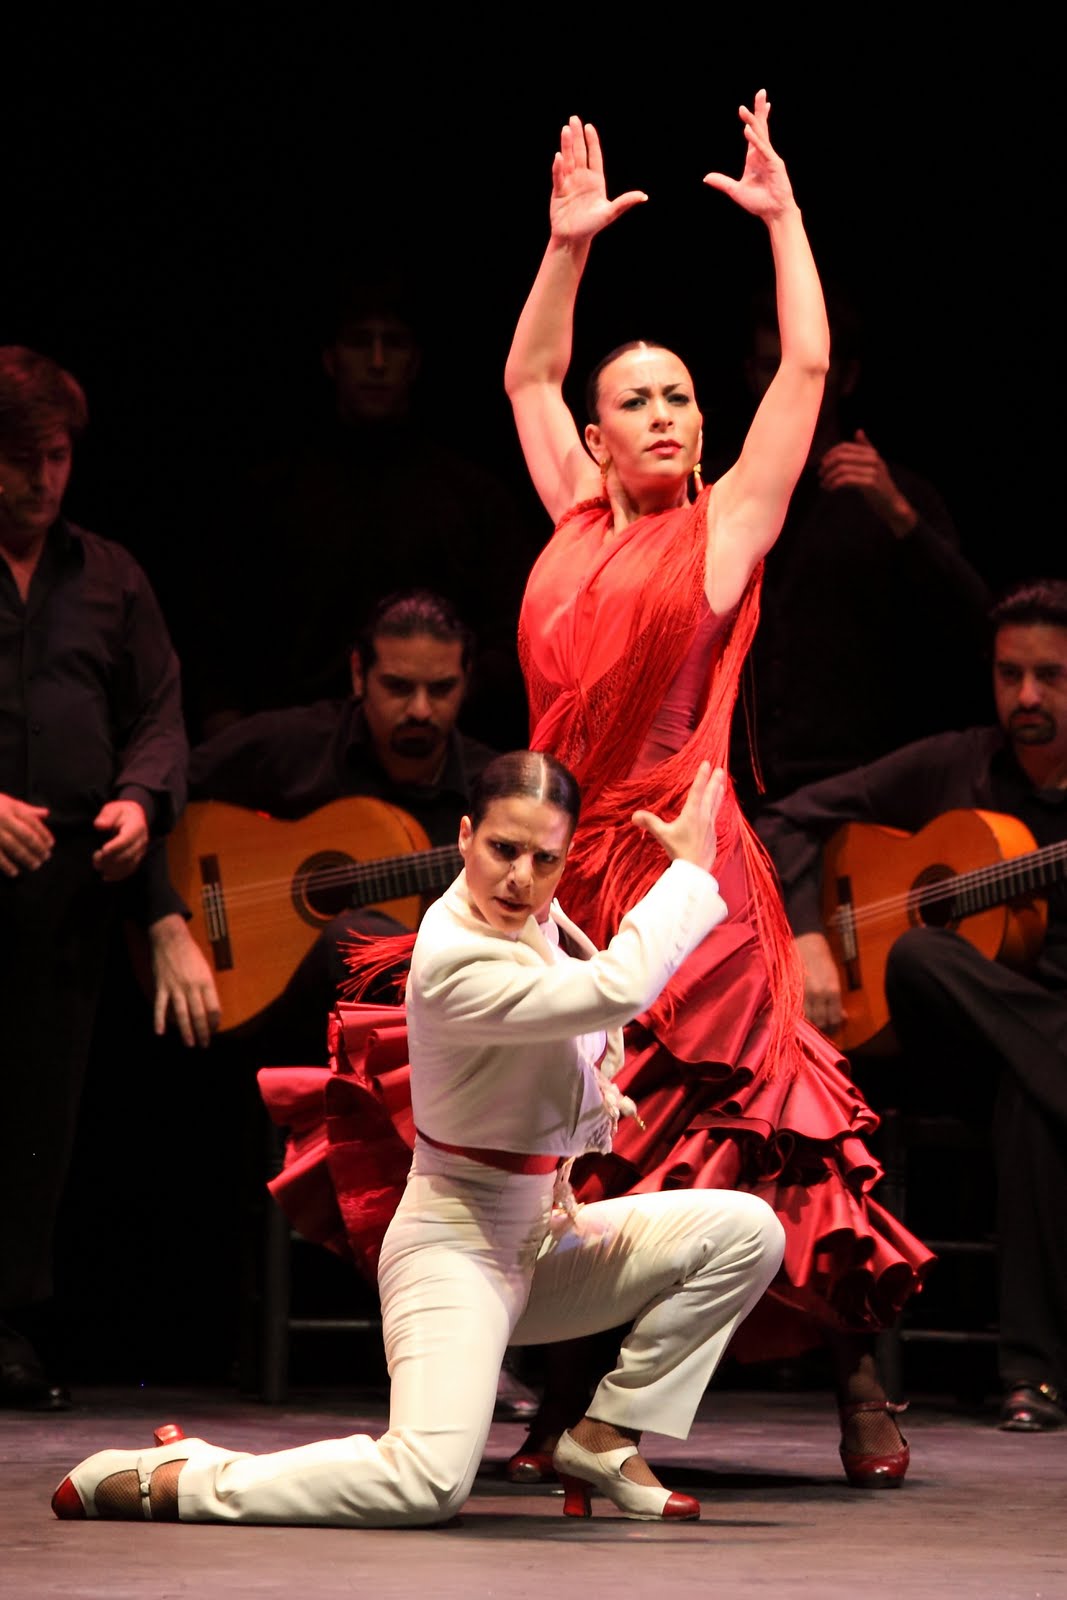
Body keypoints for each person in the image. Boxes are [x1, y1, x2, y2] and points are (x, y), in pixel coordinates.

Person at [501, 94, 932, 1487]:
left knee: (756, 1124)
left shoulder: (721, 531)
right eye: (638, 400)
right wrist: (565, 249)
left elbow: (801, 371)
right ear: (598, 432)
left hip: (689, 871)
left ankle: (858, 1388)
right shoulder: (570, 516)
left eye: (681, 394)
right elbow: (521, 379)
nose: (668, 415)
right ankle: (559, 1401)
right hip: (568, 876)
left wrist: (783, 220)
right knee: (581, 1141)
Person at [52, 751, 787, 1527]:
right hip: (453, 1249)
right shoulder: (454, 955)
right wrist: (689, 872)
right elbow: (615, 989)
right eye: (503, 850)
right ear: (465, 836)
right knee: (426, 1485)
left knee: (745, 1231)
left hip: (538, 1243)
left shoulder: (539, 920)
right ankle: (184, 1477)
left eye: (545, 859)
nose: (521, 878)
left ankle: (605, 1434)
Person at [754, 578, 1067, 1432]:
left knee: (1030, 1101)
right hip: (941, 1041)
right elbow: (785, 819)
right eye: (1010, 674)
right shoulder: (955, 765)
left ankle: (1028, 1378)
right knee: (927, 950)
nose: (1026, 697)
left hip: (1023, 1056)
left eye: (1050, 676)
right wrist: (810, 933)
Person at [0, 346, 196, 1409]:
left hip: (65, 885)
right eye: (23, 460)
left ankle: (8, 1325)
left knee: (37, 1110)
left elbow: (160, 708)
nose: (44, 480)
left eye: (59, 457)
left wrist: (138, 798)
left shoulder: (108, 574)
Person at [182, 276, 539, 750]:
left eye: (392, 344)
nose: (376, 362)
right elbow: (216, 628)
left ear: (414, 361)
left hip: (433, 752)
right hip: (291, 760)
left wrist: (437, 702)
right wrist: (226, 734)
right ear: (330, 360)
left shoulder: (472, 498)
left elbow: (514, 635)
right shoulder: (268, 496)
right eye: (359, 343)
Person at [146, 587, 499, 1064]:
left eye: (441, 689)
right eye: (398, 687)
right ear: (358, 674)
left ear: (467, 679)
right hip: (265, 1036)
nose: (420, 709)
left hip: (415, 1051)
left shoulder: (494, 796)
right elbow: (157, 795)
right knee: (351, 936)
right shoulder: (296, 745)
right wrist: (162, 916)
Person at [723, 285, 992, 810]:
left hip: (857, 791)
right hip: (737, 789)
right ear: (750, 374)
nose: (785, 386)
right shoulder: (723, 494)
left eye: (805, 371)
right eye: (770, 367)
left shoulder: (893, 497)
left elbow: (978, 628)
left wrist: (902, 519)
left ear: (844, 377)